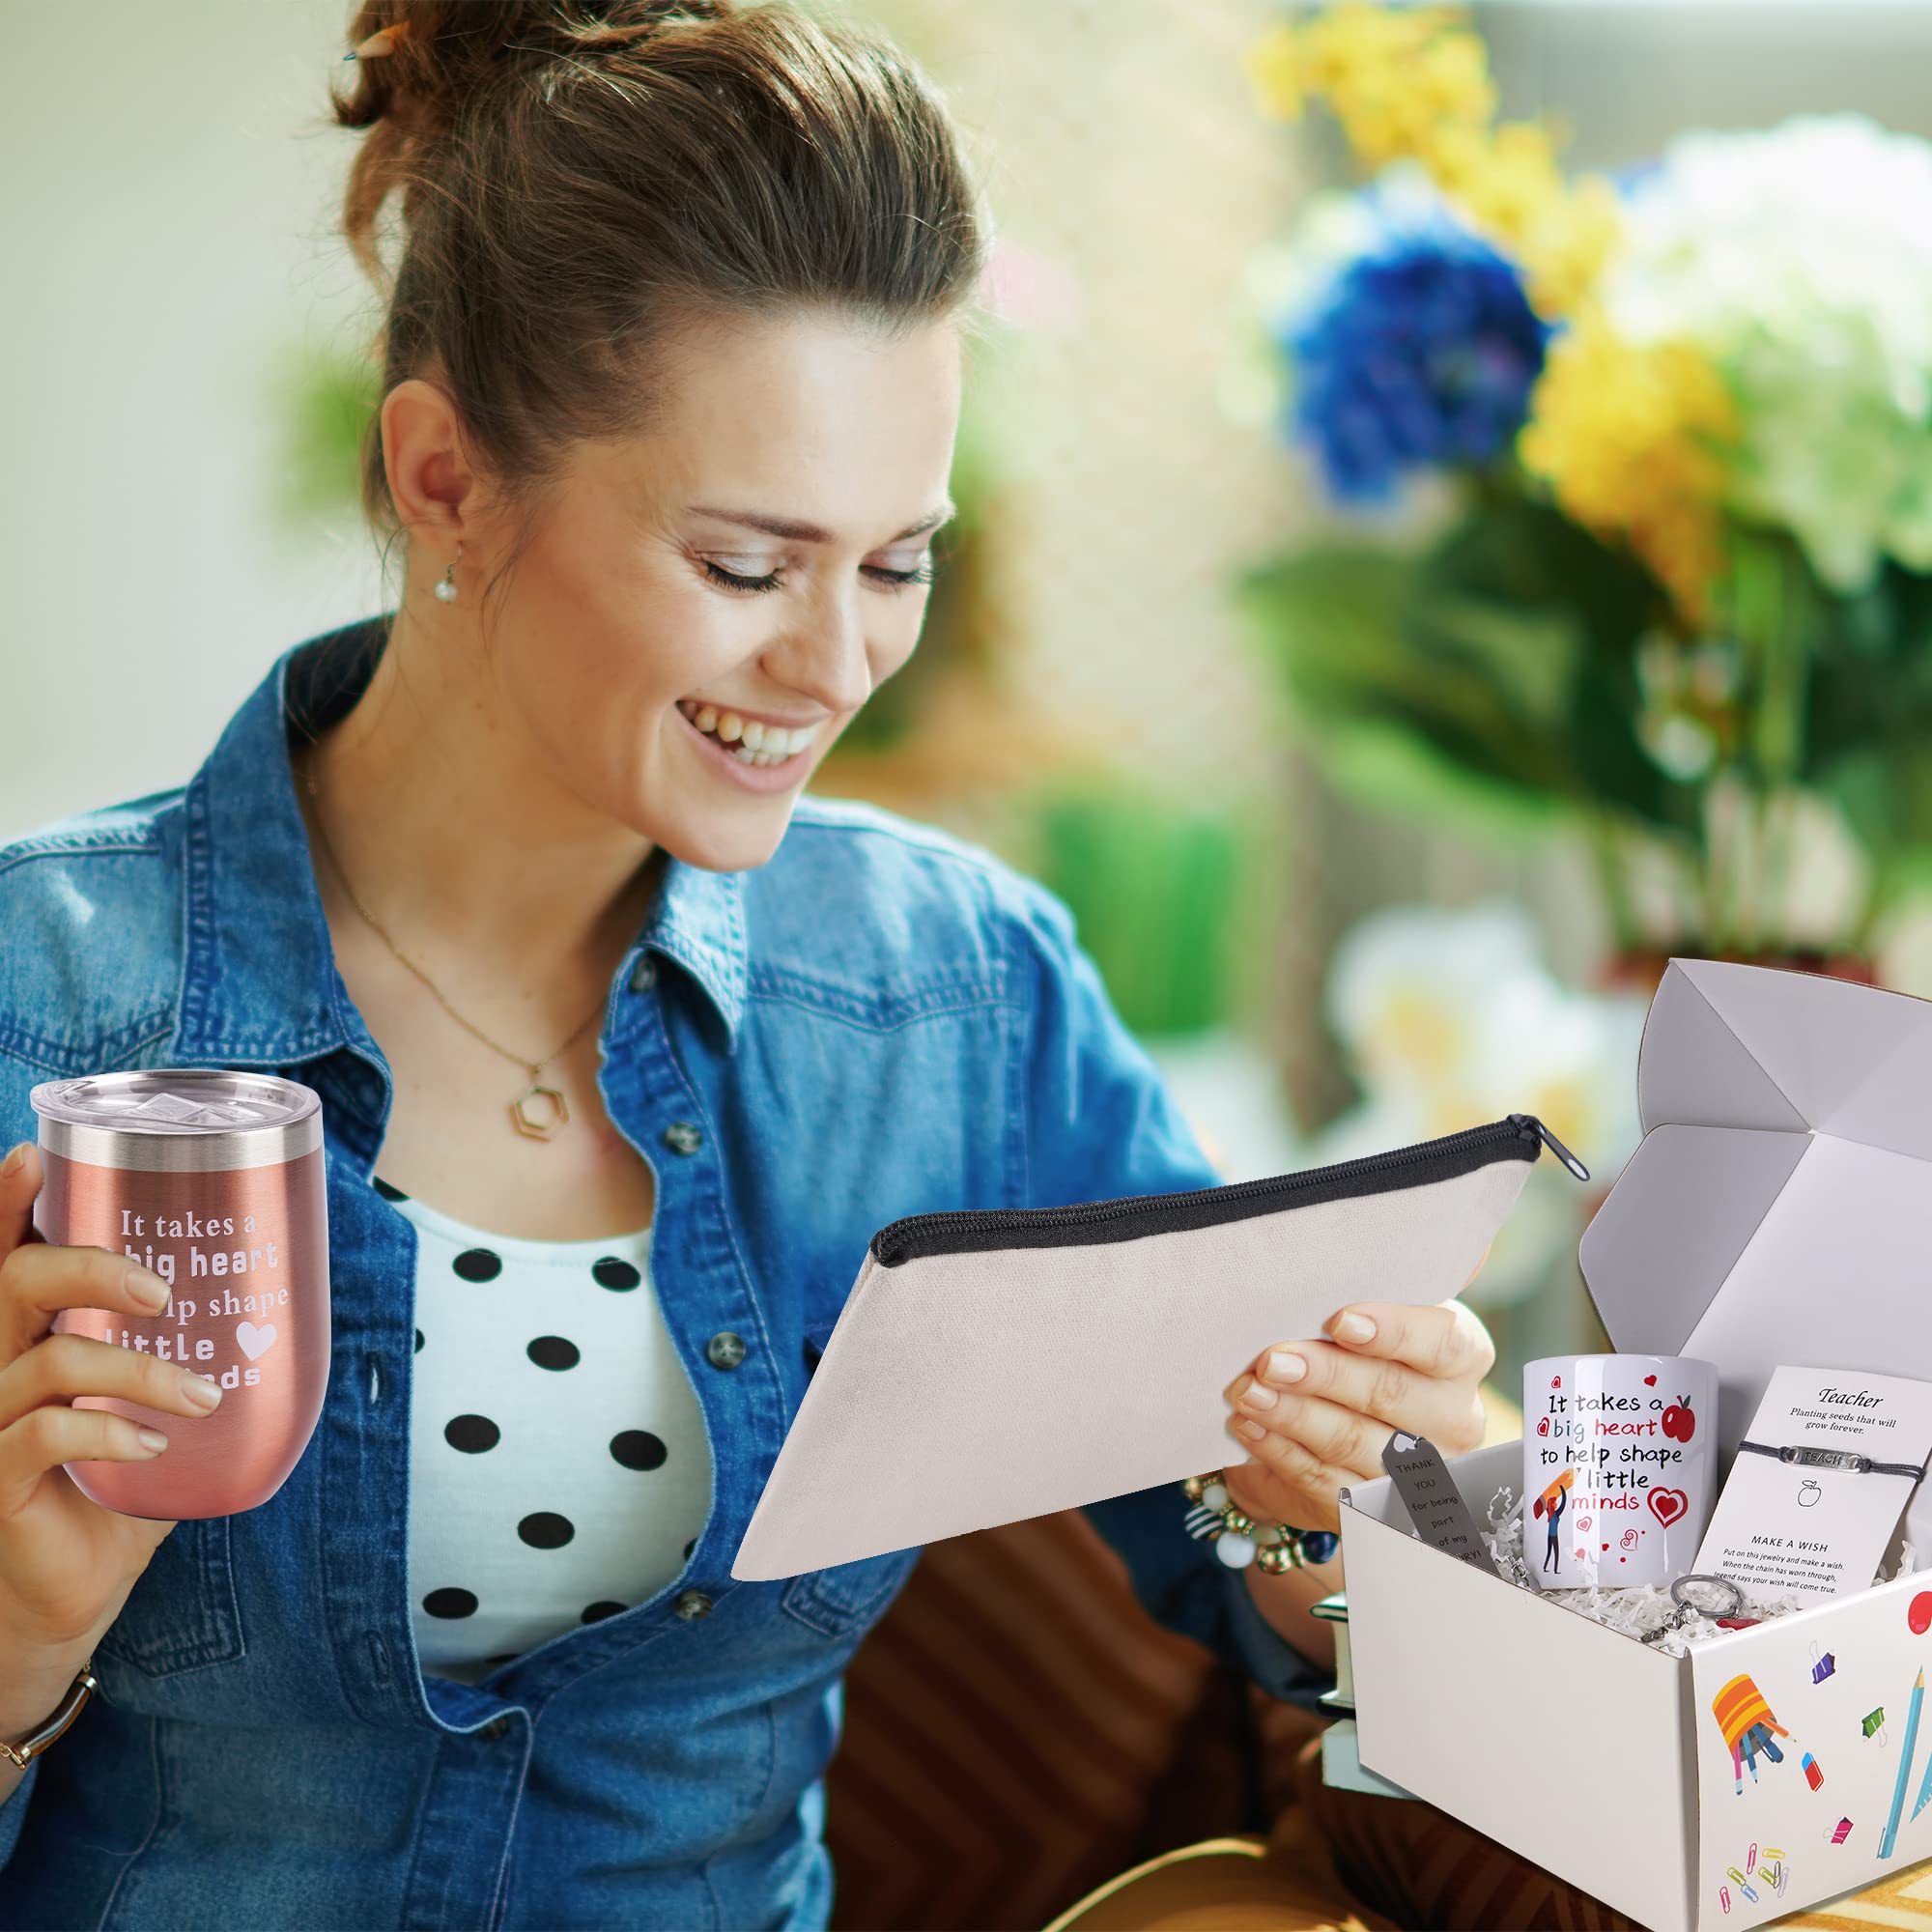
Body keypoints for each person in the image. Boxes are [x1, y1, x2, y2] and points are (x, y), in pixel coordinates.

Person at [0, 4, 1500, 1924]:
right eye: (745, 563)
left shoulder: (950, 990)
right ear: (446, 479)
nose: (838, 663)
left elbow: (1242, 1554)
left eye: (895, 561)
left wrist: (1369, 1503)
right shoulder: (53, 995)